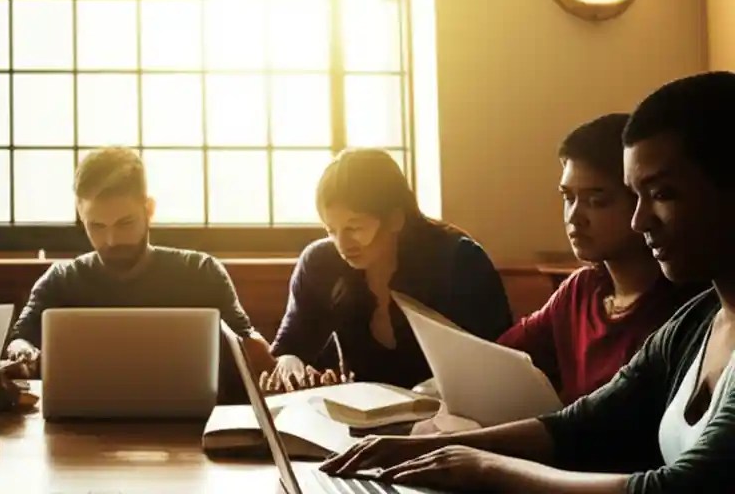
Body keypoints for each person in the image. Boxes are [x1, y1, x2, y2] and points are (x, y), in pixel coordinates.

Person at [320, 71, 735, 492]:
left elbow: (678, 488)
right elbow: (580, 423)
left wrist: (485, 468)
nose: (638, 219)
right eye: (636, 195)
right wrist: (420, 449)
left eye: (663, 194)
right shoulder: (697, 321)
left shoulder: (681, 307)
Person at [5, 147, 276, 378]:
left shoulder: (201, 273)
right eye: (96, 226)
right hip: (77, 429)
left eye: (125, 223)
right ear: (80, 214)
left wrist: (265, 356)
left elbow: (247, 346)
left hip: (192, 425)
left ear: (149, 210)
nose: (111, 240)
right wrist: (21, 351)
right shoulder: (61, 280)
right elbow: (19, 338)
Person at [262, 148, 512, 393]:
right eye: (331, 230)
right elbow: (290, 345)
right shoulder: (321, 264)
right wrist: (289, 364)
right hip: (362, 419)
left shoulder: (458, 261)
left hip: (454, 417)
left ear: (395, 219)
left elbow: (498, 362)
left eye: (355, 227)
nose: (343, 243)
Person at [497, 114, 699, 403]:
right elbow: (503, 356)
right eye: (568, 198)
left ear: (641, 200)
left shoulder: (683, 308)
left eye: (597, 201)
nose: (574, 217)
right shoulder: (582, 289)